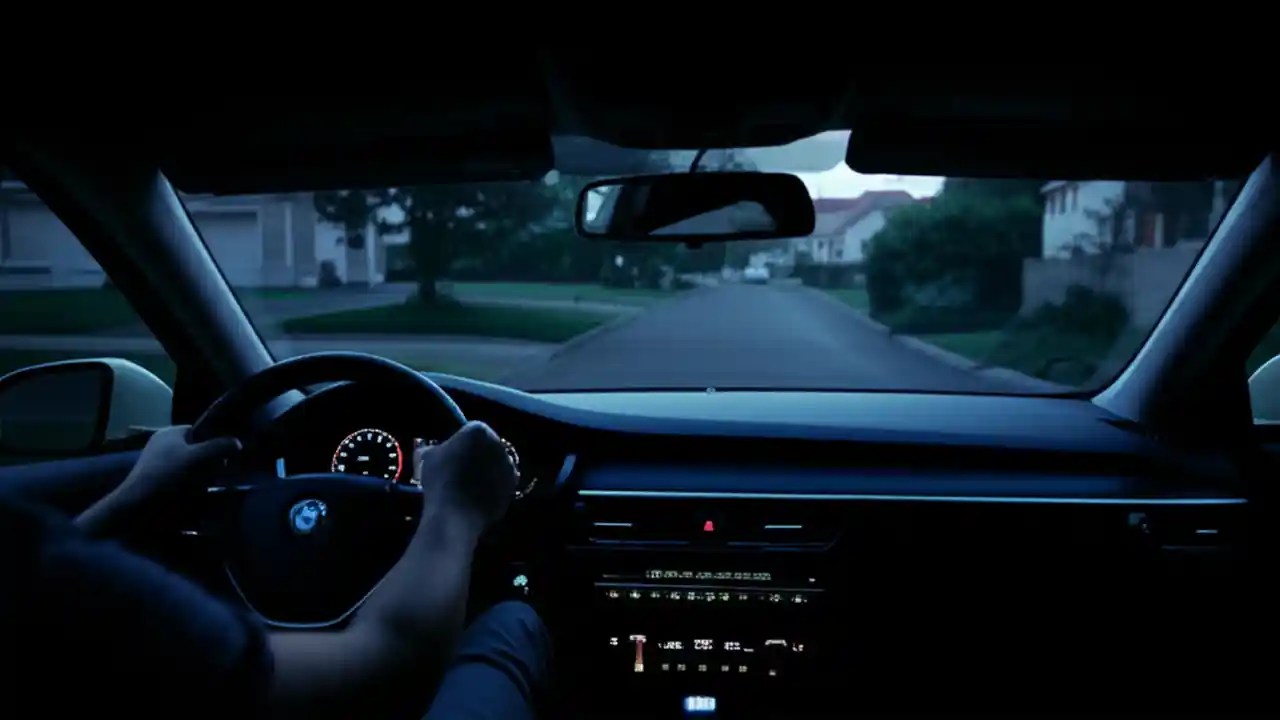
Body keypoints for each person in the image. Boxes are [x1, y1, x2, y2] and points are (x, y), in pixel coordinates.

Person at [0, 421, 550, 720]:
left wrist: (135, 494)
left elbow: (45, 572)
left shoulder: (42, 579)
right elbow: (392, 661)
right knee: (510, 621)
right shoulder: (57, 591)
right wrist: (455, 508)